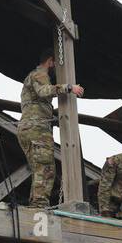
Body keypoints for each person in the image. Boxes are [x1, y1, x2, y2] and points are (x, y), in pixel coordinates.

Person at [18, 48, 83, 208]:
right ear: (50, 61)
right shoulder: (40, 75)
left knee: (39, 168)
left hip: (30, 128)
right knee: (45, 169)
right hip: (36, 129)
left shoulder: (32, 76)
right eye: (55, 64)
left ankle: (36, 204)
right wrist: (68, 88)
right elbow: (44, 91)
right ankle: (38, 206)